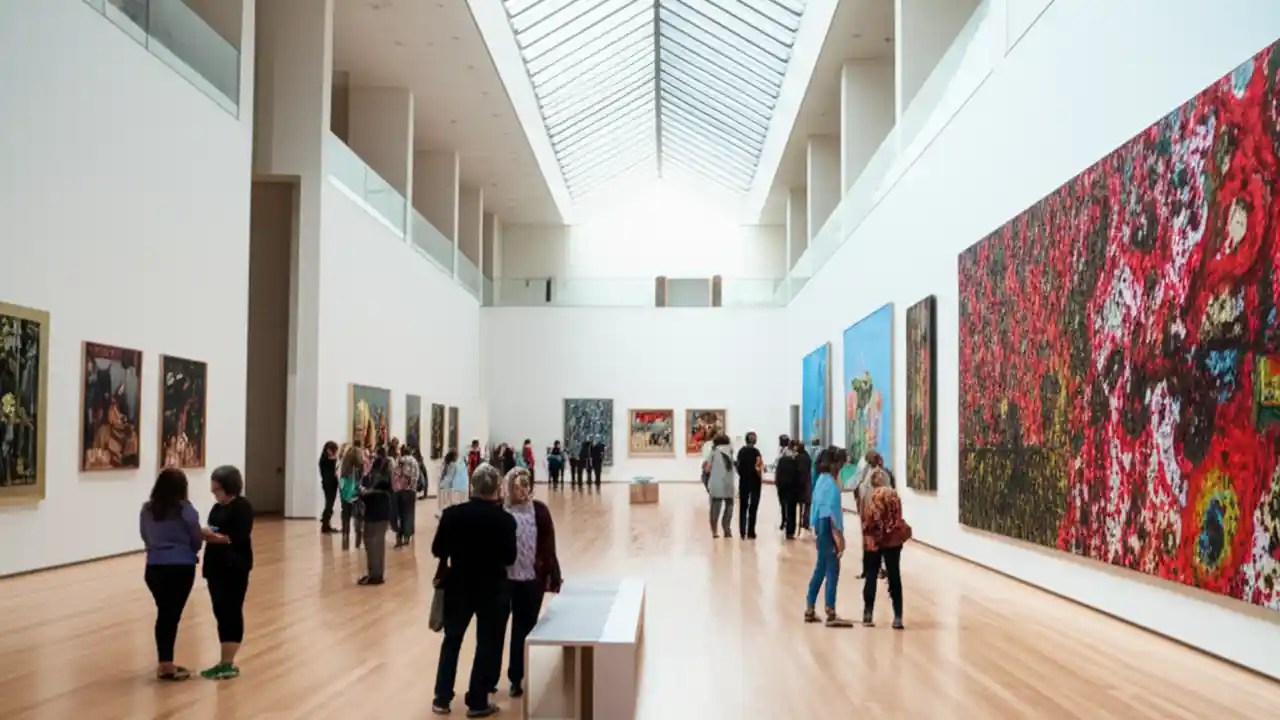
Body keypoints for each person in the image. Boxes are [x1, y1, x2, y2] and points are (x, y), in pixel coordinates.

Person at [431, 464, 517, 717]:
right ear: (497, 489)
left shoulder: (452, 515)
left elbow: (438, 549)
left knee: (452, 641)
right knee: (487, 644)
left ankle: (442, 697)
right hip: (492, 588)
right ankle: (478, 701)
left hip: (459, 585)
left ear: (473, 486)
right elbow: (510, 557)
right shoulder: (505, 520)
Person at [501, 468, 563, 697]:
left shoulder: (539, 511)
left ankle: (517, 676)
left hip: (531, 580)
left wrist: (550, 573)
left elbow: (549, 545)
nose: (522, 491)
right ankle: (492, 678)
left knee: (524, 627)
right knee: (498, 630)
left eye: (526, 485)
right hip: (506, 581)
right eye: (517, 487)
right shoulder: (502, 512)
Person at [140, 468, 203, 680]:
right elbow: (196, 540)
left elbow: (145, 536)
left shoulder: (147, 509)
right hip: (180, 568)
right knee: (170, 615)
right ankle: (166, 665)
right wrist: (190, 550)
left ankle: (165, 661)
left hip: (154, 567)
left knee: (165, 613)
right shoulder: (186, 510)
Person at [201, 465, 255, 679]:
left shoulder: (242, 507)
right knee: (220, 610)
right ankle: (224, 661)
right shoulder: (217, 508)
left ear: (228, 486)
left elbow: (237, 537)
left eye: (217, 489)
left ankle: (227, 662)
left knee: (230, 610)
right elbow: (215, 530)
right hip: (215, 566)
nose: (214, 492)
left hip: (234, 567)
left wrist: (212, 537)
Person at [805, 447, 853, 627]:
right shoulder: (831, 485)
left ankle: (810, 607)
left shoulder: (820, 480)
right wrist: (839, 537)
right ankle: (830, 611)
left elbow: (816, 508)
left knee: (820, 568)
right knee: (832, 569)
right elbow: (831, 512)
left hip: (820, 526)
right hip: (828, 528)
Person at [861, 469, 910, 628]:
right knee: (894, 574)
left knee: (871, 575)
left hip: (875, 540)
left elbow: (870, 519)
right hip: (893, 540)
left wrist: (868, 534)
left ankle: (868, 613)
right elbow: (898, 517)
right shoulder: (894, 495)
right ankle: (898, 616)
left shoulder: (873, 496)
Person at [360, 449, 393, 585]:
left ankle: (374, 575)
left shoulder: (374, 478)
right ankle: (376, 574)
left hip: (374, 513)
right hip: (383, 513)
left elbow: (368, 494)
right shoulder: (388, 478)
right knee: (378, 544)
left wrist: (364, 492)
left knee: (372, 544)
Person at [706, 434, 736, 539]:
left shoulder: (714, 452)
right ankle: (727, 529)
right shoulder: (731, 451)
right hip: (729, 484)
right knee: (729, 507)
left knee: (715, 509)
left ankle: (714, 532)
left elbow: (707, 468)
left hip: (716, 484)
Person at [736, 431, 764, 539]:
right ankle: (751, 531)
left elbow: (738, 467)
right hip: (755, 482)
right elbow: (759, 467)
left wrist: (743, 474)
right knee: (753, 506)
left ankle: (742, 531)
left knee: (743, 506)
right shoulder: (756, 452)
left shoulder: (741, 451)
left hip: (744, 481)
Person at [393, 445, 420, 547]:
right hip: (411, 491)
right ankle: (407, 537)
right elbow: (417, 475)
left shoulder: (400, 460)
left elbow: (396, 473)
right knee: (409, 513)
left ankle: (399, 537)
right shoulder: (415, 462)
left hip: (400, 490)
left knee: (400, 514)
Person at [339, 445, 364, 550]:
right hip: (356, 495)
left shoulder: (344, 466)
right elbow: (362, 480)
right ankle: (358, 540)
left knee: (345, 516)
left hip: (345, 495)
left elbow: (341, 482)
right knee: (359, 516)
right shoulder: (360, 466)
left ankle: (345, 536)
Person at [775, 441, 802, 539]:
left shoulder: (782, 460)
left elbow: (777, 474)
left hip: (782, 487)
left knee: (784, 506)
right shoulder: (796, 461)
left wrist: (778, 485)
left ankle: (784, 522)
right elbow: (798, 476)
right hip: (792, 488)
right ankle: (790, 532)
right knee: (792, 510)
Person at [319, 441, 339, 534]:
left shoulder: (324, 460)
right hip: (329, 484)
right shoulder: (328, 460)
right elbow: (331, 471)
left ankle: (326, 524)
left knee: (329, 504)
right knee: (329, 505)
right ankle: (325, 525)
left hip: (328, 484)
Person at [438, 450, 460, 517]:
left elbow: (445, 475)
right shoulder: (452, 465)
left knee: (446, 501)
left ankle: (443, 513)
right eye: (457, 456)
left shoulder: (447, 463)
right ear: (454, 456)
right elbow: (449, 476)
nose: (457, 458)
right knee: (450, 501)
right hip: (449, 485)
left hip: (446, 484)